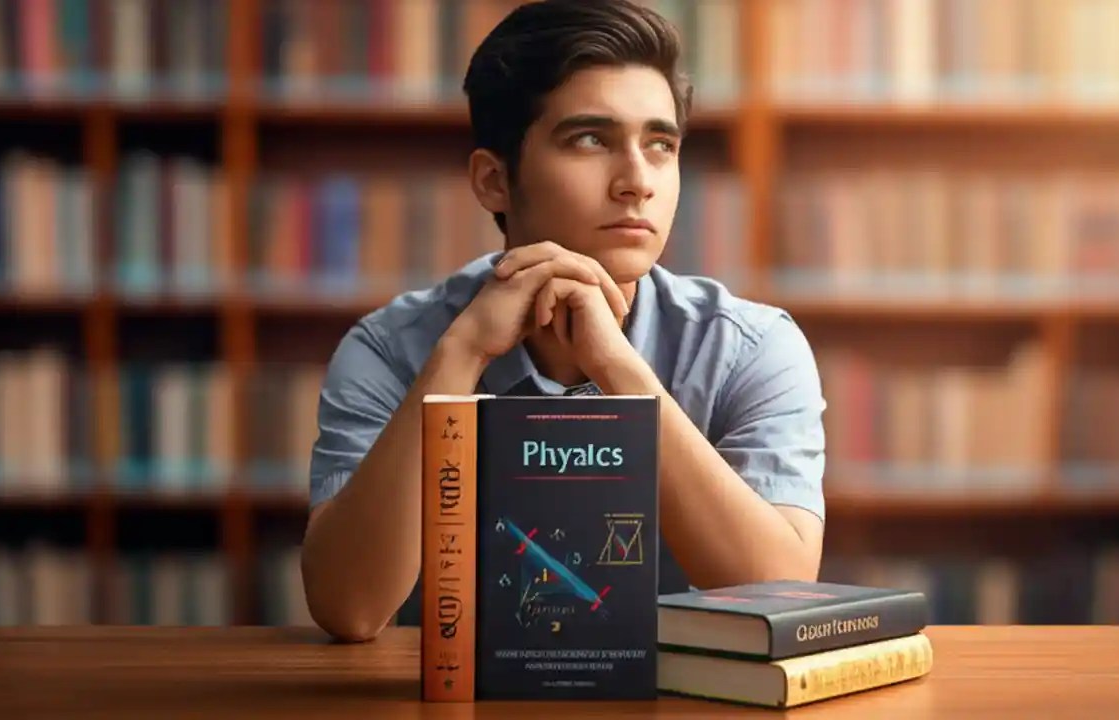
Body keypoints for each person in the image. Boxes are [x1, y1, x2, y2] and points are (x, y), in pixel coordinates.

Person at [300, 0, 826, 643]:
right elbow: (348, 609)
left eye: (660, 144)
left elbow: (777, 592)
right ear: (495, 181)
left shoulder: (749, 346)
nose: (637, 181)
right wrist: (459, 357)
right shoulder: (390, 348)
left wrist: (619, 369)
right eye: (590, 139)